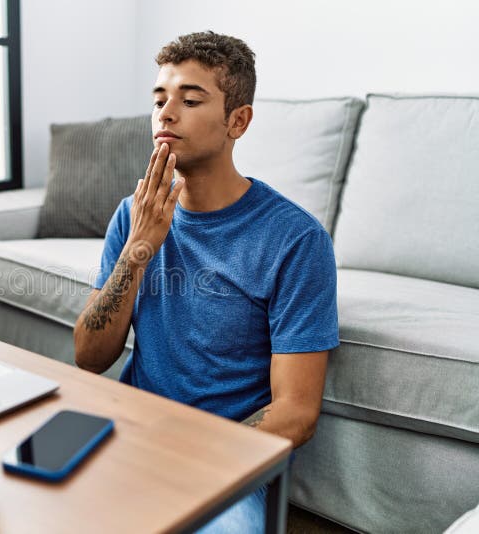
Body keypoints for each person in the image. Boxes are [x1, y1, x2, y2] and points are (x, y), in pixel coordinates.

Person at [73, 31, 339, 533]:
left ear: (237, 120)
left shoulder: (296, 240)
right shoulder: (133, 216)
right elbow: (88, 356)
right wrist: (139, 249)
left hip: (229, 461)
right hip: (132, 434)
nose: (166, 114)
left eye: (190, 99)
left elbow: (297, 412)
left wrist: (192, 454)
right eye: (159, 100)